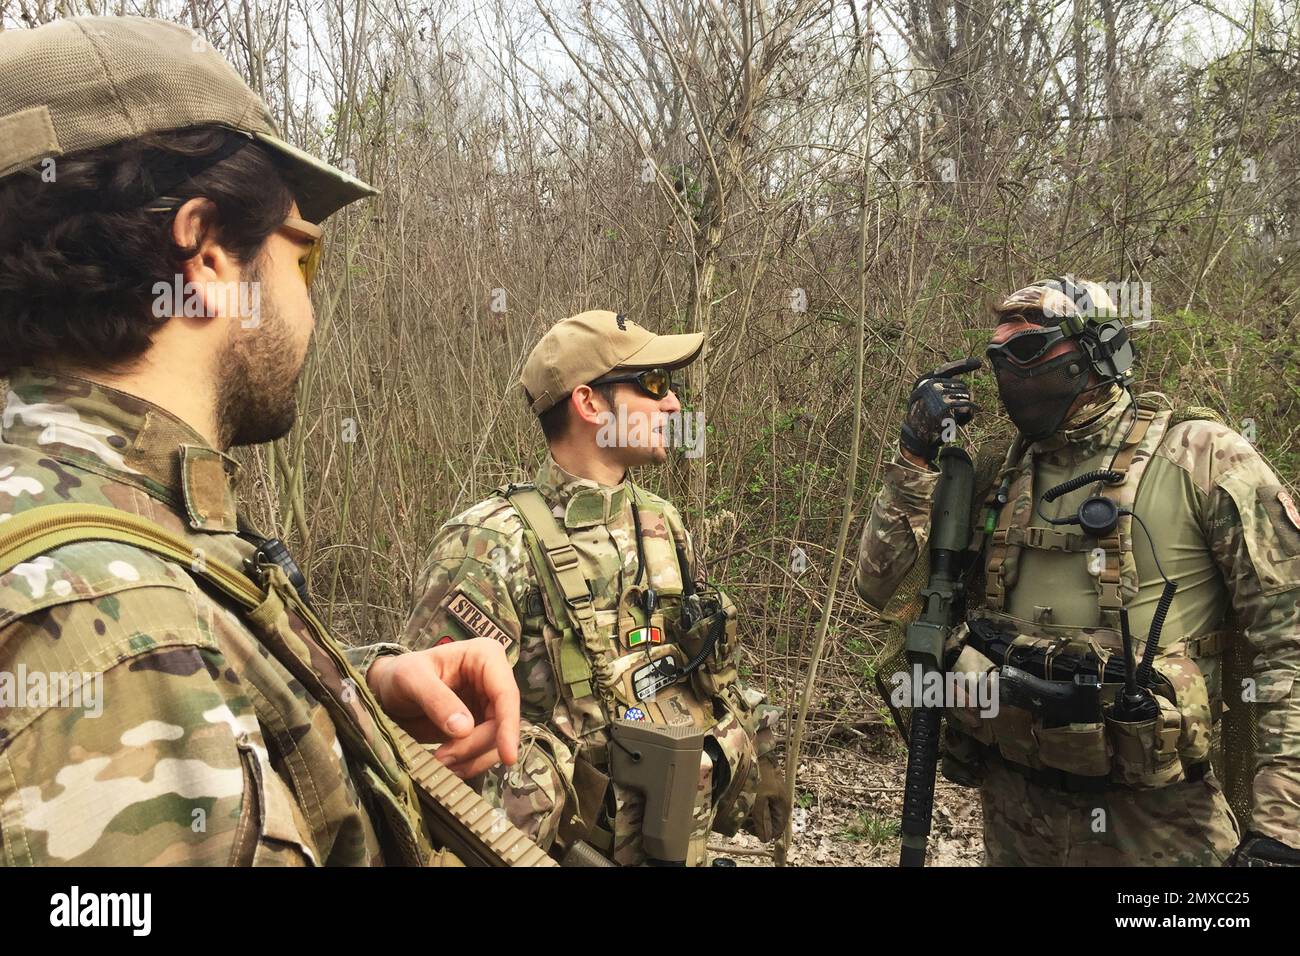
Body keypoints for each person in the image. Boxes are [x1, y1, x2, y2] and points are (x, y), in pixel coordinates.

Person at [0, 15, 522, 866]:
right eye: (304, 258)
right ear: (205, 256)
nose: (310, 303)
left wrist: (357, 697)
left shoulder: (98, 526)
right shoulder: (121, 638)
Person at [857, 277, 1300, 866]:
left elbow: (1288, 638)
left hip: (1160, 824)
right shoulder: (998, 468)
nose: (1008, 372)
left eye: (1027, 351)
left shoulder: (1203, 456)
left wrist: (1282, 826)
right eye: (997, 357)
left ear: (1098, 352)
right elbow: (881, 586)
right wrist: (915, 454)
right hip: (1015, 812)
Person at [401, 310, 789, 864]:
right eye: (653, 384)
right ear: (589, 404)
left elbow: (692, 679)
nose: (674, 405)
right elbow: (434, 759)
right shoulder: (488, 544)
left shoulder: (662, 523)